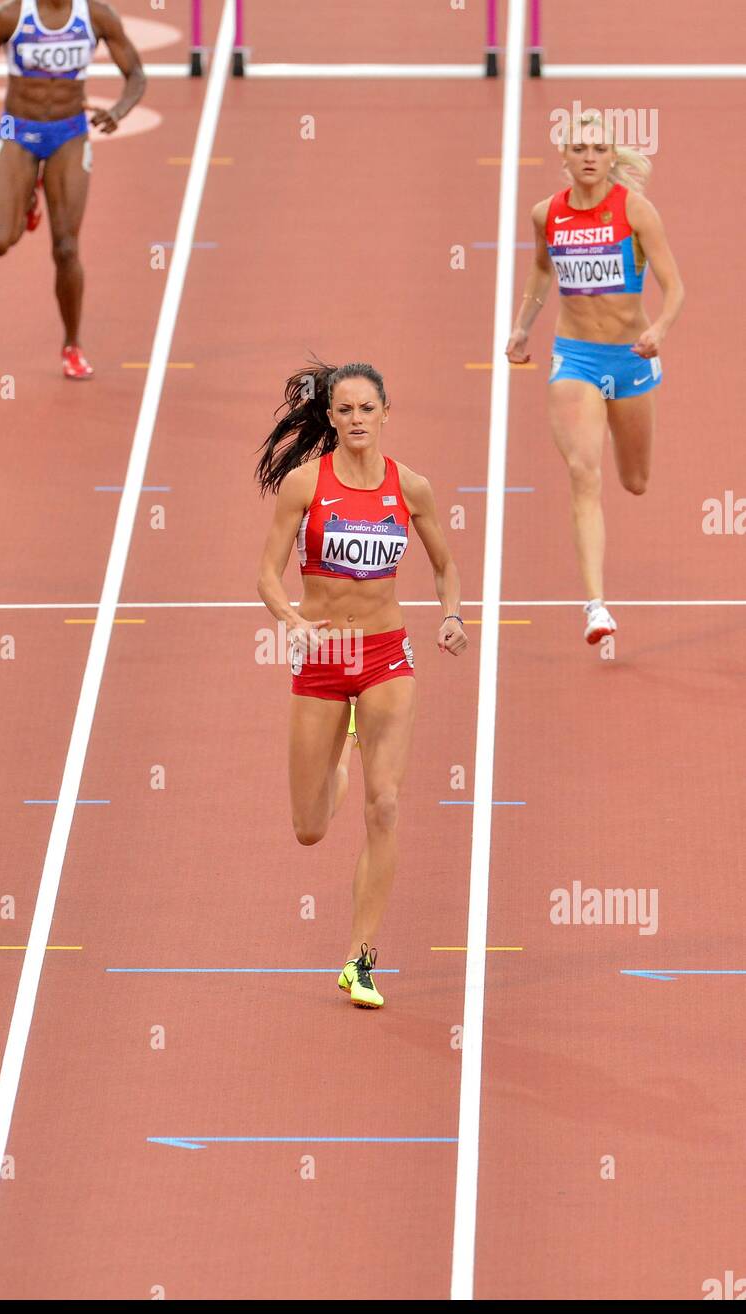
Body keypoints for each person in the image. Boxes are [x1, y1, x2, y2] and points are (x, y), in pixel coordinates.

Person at [256, 360, 468, 1009]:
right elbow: (266, 574)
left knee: (386, 805)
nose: (354, 420)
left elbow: (445, 565)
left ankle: (361, 959)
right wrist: (291, 620)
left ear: (384, 413)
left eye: (365, 410)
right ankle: (338, 770)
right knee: (309, 827)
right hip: (322, 656)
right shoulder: (302, 486)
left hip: (383, 654)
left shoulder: (412, 487)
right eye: (343, 410)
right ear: (329, 417)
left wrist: (453, 614)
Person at [506, 108, 684, 642]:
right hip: (575, 358)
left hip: (630, 357)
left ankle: (599, 601)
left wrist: (661, 331)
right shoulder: (546, 214)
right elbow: (542, 268)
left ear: (611, 158)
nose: (588, 158)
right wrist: (522, 328)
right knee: (584, 474)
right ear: (564, 157)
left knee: (635, 482)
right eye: (578, 149)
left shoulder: (635, 211)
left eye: (598, 150)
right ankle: (596, 607)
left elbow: (675, 287)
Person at [0, 0, 146, 379]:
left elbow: (136, 74)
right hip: (15, 128)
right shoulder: (10, 16)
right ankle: (27, 195)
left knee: (66, 247)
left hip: (69, 133)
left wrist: (120, 110)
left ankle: (72, 344)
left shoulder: (96, 16)